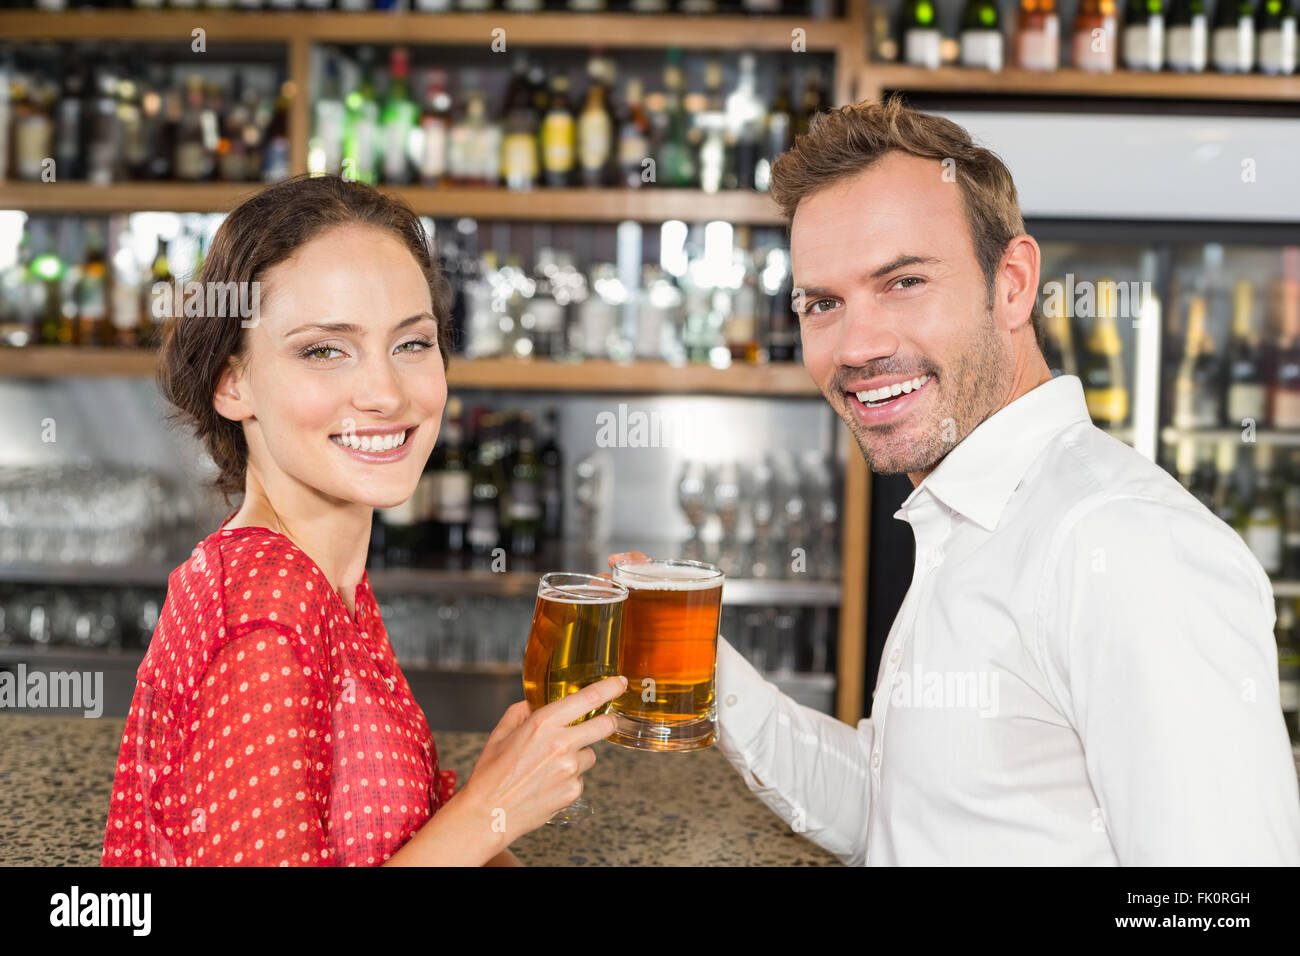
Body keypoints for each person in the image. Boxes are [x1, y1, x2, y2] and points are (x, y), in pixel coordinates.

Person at [620, 94, 1300, 865]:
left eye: (904, 282)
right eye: (823, 303)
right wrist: (704, 663)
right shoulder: (959, 511)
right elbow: (906, 813)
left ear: (1011, 285)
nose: (856, 345)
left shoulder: (1124, 543)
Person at [102, 174, 625, 867]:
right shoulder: (265, 614)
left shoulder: (322, 577)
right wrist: (491, 810)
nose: (385, 392)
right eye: (324, 349)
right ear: (232, 382)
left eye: (412, 343)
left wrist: (482, 811)